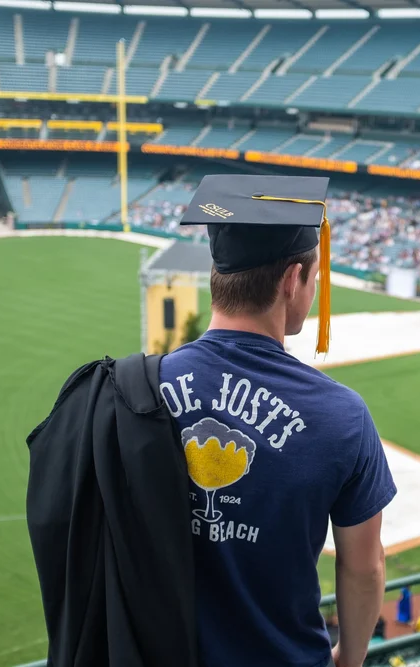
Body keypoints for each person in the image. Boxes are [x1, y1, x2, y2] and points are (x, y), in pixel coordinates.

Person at [160, 175, 396, 667]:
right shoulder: (342, 416)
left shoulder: (140, 387)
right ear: (293, 280)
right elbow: (364, 568)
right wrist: (348, 658)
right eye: (314, 278)